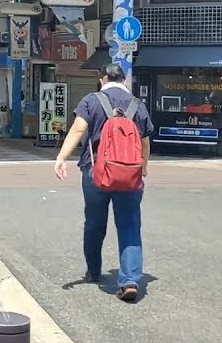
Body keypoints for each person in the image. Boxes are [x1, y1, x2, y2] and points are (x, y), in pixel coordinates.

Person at [53, 63, 153, 303]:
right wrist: (143, 166)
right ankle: (129, 280)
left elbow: (78, 129)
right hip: (129, 173)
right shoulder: (137, 105)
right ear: (124, 80)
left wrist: (61, 157)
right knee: (129, 225)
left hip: (95, 171)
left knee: (95, 223)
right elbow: (146, 142)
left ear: (102, 79)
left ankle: (94, 271)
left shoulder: (92, 100)